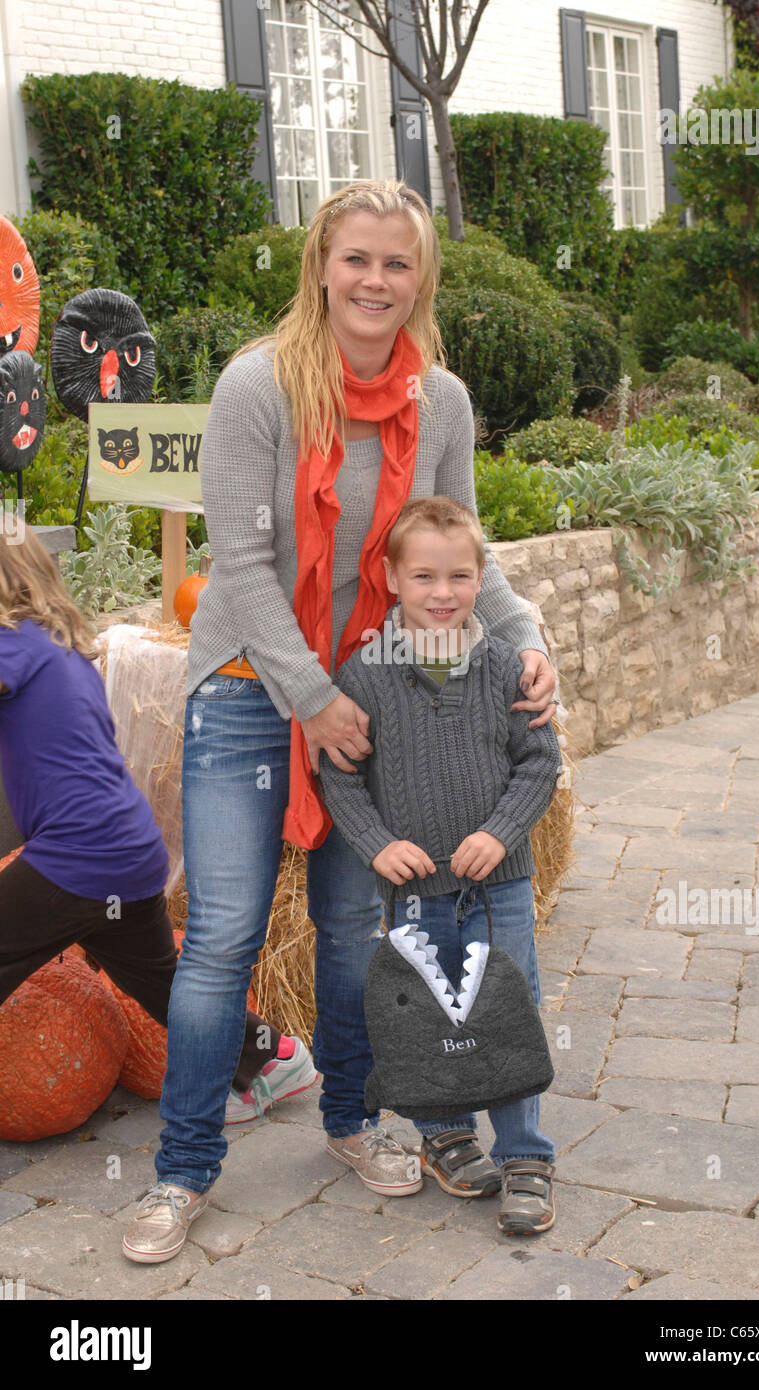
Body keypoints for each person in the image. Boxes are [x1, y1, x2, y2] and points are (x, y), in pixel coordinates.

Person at [127, 178, 559, 1263]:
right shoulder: (257, 388)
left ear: (420, 279)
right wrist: (307, 700)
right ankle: (180, 1173)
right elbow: (241, 565)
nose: (374, 280)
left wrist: (530, 636)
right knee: (224, 934)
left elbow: (461, 548)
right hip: (246, 683)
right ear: (321, 264)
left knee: (351, 927)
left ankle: (351, 1121)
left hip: (376, 692)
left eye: (396, 263)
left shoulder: (441, 401)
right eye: (355, 258)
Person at [0, 526, 315, 1245]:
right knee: (168, 990)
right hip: (126, 852)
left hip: (77, 857)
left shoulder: (12, 644)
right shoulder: (65, 649)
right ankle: (274, 1057)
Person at [316, 494, 559, 1235]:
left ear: (480, 577)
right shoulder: (365, 676)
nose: (443, 593)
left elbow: (539, 764)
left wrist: (502, 830)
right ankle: (446, 1133)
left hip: (498, 884)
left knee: (504, 1007)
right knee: (428, 1009)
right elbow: (341, 776)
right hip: (415, 891)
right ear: (392, 578)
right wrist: (377, 845)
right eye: (424, 577)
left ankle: (525, 1154)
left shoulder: (505, 670)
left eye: (459, 576)